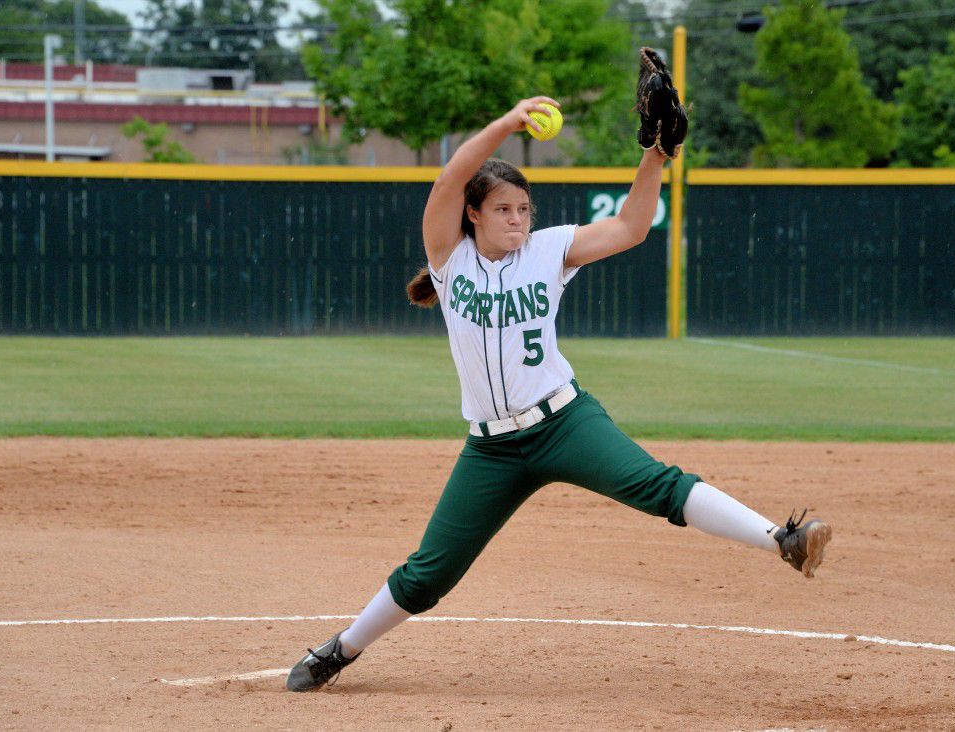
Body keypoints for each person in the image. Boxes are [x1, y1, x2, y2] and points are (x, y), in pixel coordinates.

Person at [285, 93, 832, 693]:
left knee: (657, 485)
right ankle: (340, 650)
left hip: (563, 422)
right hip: (491, 450)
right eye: (504, 210)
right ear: (474, 215)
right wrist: (508, 122)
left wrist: (656, 156)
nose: (519, 220)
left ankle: (783, 539)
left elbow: (631, 227)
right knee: (428, 574)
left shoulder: (549, 249)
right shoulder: (449, 259)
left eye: (524, 208)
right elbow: (449, 178)